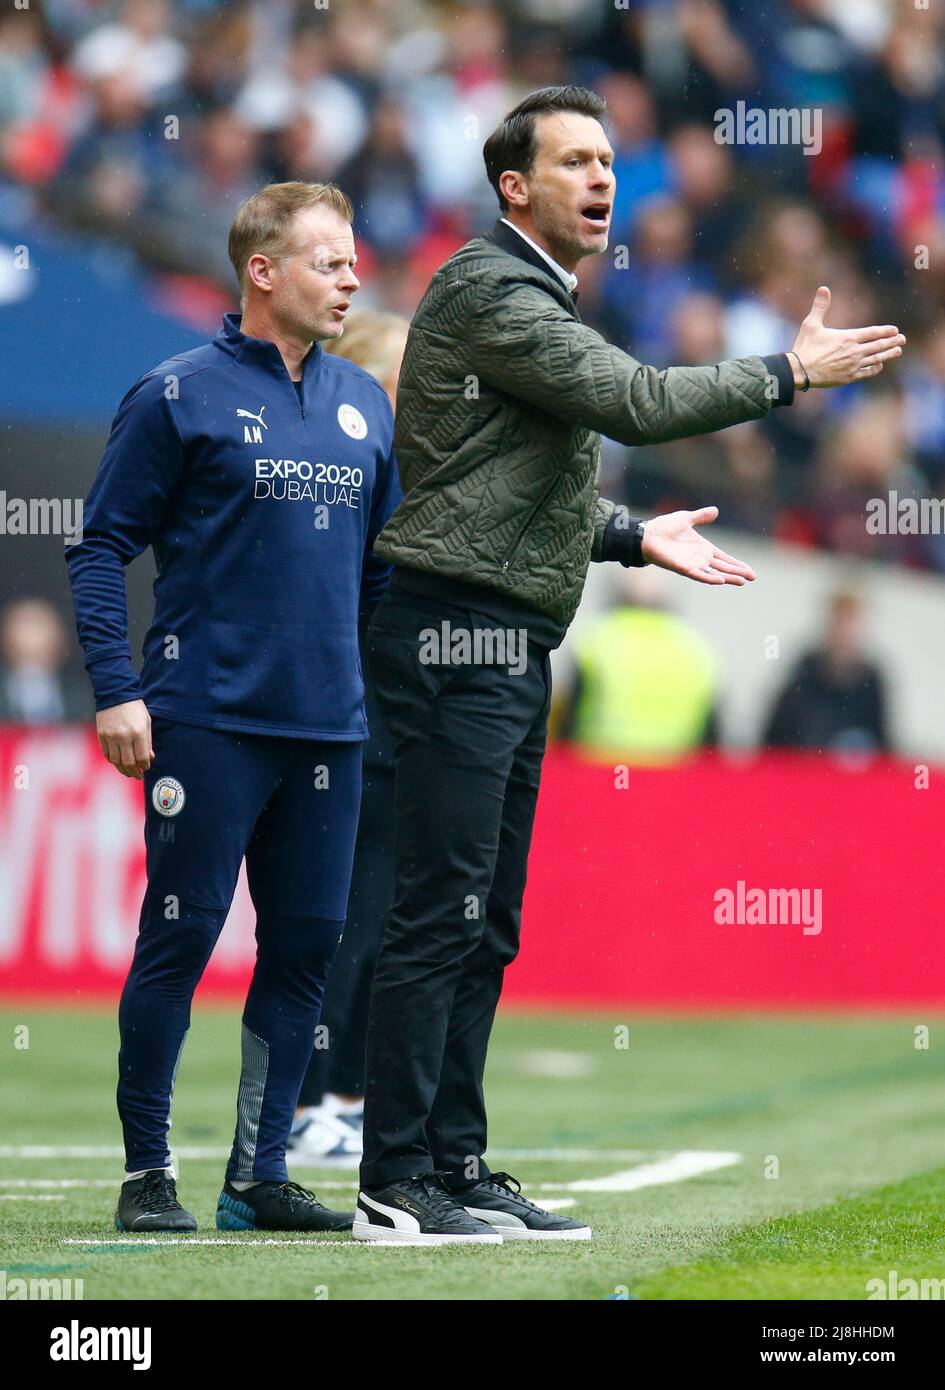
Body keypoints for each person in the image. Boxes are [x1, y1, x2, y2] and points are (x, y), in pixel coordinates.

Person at [352, 85, 906, 1245]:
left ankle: (454, 1159)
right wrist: (786, 374)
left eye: (609, 160)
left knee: (483, 919)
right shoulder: (491, 285)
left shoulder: (527, 297)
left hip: (507, 631)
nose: (604, 179)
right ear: (516, 187)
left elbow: (495, 480)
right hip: (456, 628)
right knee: (437, 912)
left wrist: (623, 532)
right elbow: (636, 400)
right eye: (575, 162)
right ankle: (394, 1174)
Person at [64, 180, 402, 1234]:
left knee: (304, 948)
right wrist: (119, 688)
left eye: (353, 260)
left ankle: (258, 1175)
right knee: (181, 939)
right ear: (263, 271)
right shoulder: (177, 393)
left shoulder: (366, 402)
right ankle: (147, 1174)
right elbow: (99, 545)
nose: (351, 277)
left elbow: (377, 571)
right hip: (206, 719)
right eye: (327, 260)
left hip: (330, 730)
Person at [287, 311, 409, 1166]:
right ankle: (304, 1101)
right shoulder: (344, 473)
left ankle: (347, 1094)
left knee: (382, 922)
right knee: (340, 925)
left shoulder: (404, 469)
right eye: (402, 370)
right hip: (350, 722)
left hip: (400, 724)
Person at [558, 567, 719, 763]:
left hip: (599, 771)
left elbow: (565, 721)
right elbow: (712, 739)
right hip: (673, 778)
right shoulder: (696, 648)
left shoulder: (594, 639)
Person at [762, 589, 890, 753]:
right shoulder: (803, 676)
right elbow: (774, 740)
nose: (844, 633)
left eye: (850, 624)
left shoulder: (872, 684)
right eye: (839, 623)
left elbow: (884, 748)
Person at [0, 598, 90, 724]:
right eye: (27, 624)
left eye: (38, 625)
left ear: (61, 641)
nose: (32, 636)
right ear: (6, 640)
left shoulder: (82, 696)